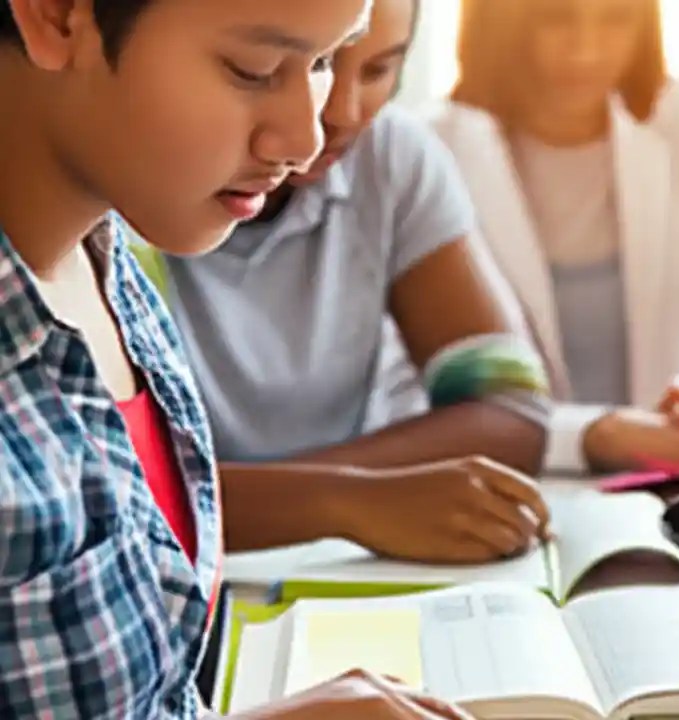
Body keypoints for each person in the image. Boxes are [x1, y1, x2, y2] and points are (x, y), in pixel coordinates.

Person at [0, 0, 472, 717]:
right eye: (252, 70)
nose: (305, 140)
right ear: (58, 15)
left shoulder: (110, 274)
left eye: (319, 61)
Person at [143, 0, 555, 565]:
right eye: (319, 64)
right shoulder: (120, 181)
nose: (338, 113)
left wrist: (283, 501)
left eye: (379, 68)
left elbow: (511, 414)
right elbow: (109, 491)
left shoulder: (391, 159)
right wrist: (340, 499)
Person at [427, 0, 679, 473]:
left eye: (615, 19)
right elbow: (436, 389)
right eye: (557, 19)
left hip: (678, 490)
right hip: (508, 483)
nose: (585, 50)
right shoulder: (435, 151)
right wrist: (596, 435)